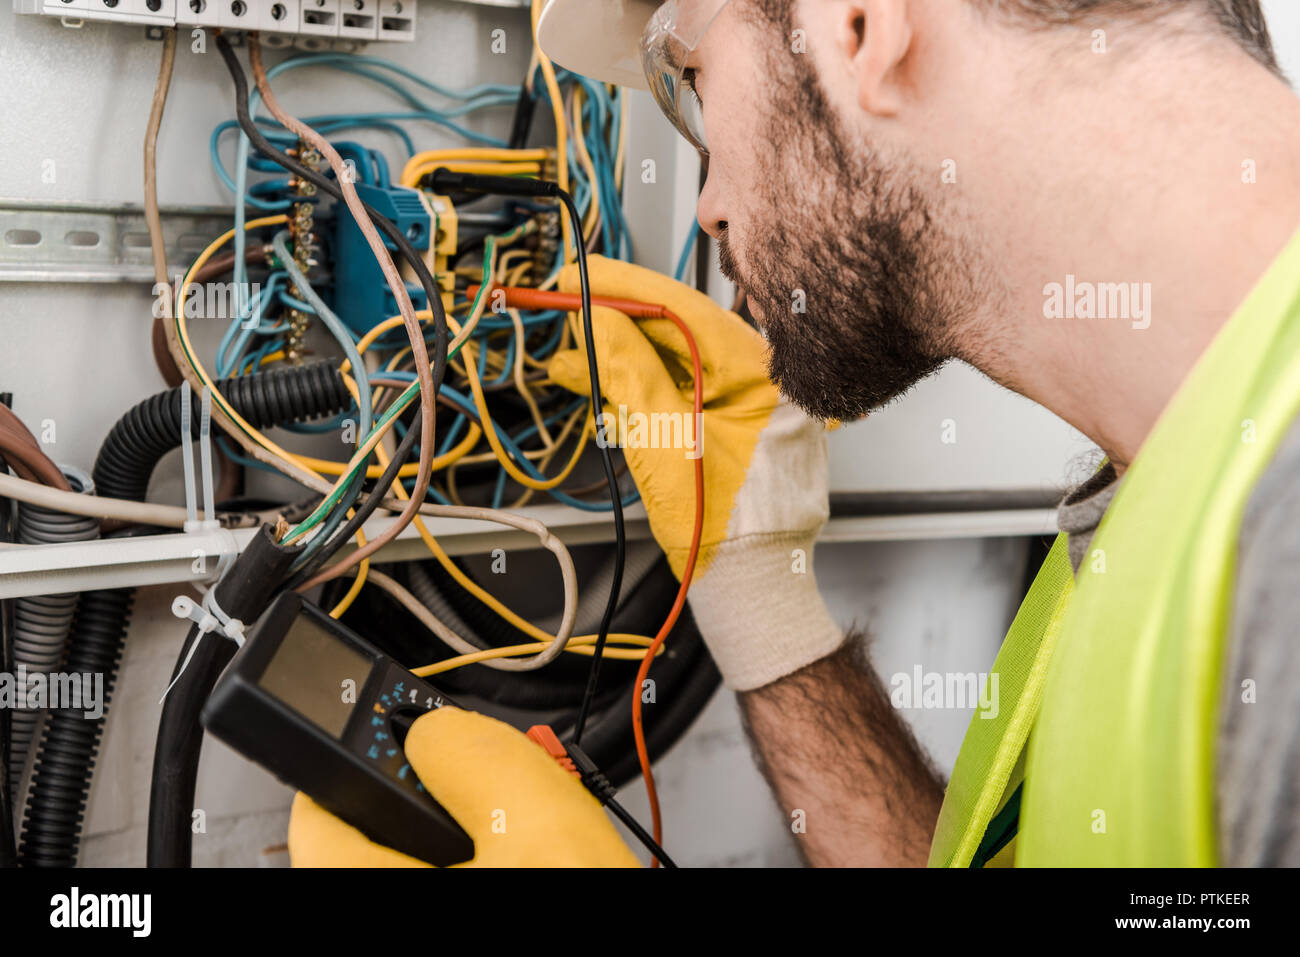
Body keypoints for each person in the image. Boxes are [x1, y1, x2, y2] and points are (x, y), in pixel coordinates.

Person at [292, 0, 1300, 866]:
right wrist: (757, 595)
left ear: (861, 25)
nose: (709, 207)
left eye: (690, 75)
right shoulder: (1170, 483)